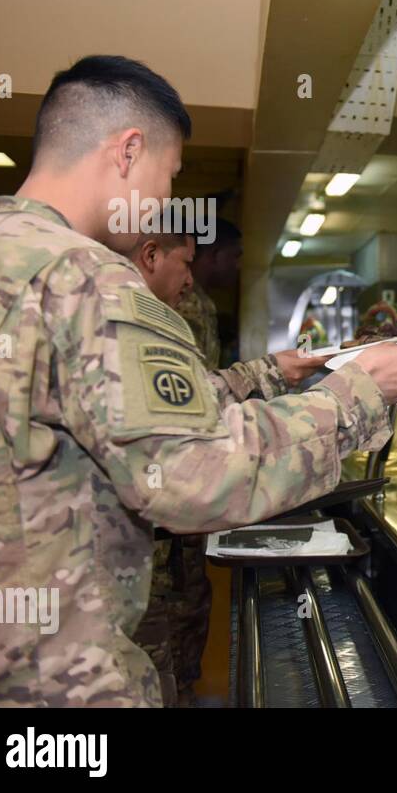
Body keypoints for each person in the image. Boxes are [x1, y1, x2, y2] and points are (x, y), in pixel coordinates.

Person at [0, 55, 397, 707]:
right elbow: (194, 474)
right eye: (169, 177)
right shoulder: (84, 279)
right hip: (51, 684)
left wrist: (272, 376)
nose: (167, 201)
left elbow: (104, 417)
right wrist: (360, 388)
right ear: (128, 152)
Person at [125, 227, 326, 705]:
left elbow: (199, 397)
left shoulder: (159, 316)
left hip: (167, 545)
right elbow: (189, 434)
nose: (191, 280)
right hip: (142, 554)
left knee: (178, 661)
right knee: (153, 674)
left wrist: (273, 370)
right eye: (186, 263)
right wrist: (342, 408)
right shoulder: (132, 326)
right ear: (151, 255)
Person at [177, 218, 240, 368]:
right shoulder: (186, 301)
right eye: (235, 256)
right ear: (215, 254)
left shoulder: (200, 300)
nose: (238, 266)